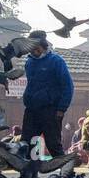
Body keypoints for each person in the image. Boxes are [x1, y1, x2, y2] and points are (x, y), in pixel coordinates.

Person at [20, 31, 73, 160]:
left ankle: (66, 173)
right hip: (32, 109)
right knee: (27, 144)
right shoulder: (29, 63)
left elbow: (68, 86)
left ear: (43, 45)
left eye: (36, 48)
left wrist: (62, 108)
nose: (33, 51)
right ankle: (28, 175)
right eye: (31, 48)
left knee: (53, 144)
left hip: (51, 110)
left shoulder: (56, 61)